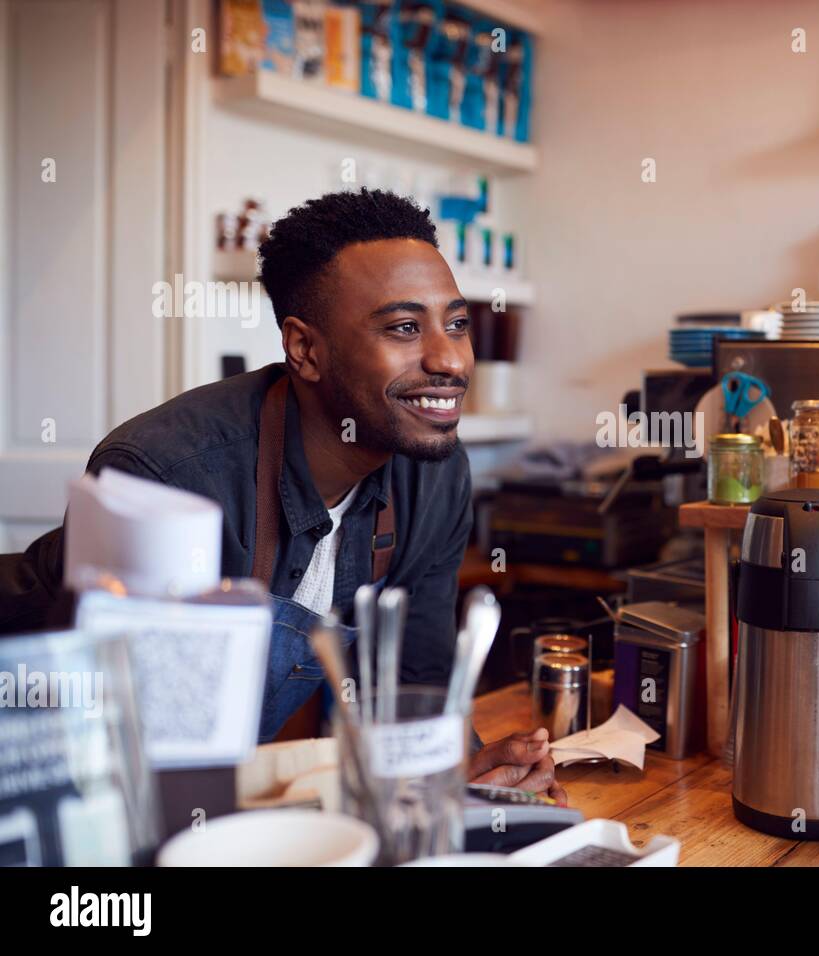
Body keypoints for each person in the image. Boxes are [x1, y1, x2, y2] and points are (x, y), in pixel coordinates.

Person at [0, 188, 566, 804]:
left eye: (455, 324)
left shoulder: (433, 475)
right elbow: (119, 752)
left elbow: (415, 682)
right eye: (405, 327)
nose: (450, 360)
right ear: (304, 349)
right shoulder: (167, 477)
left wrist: (468, 779)